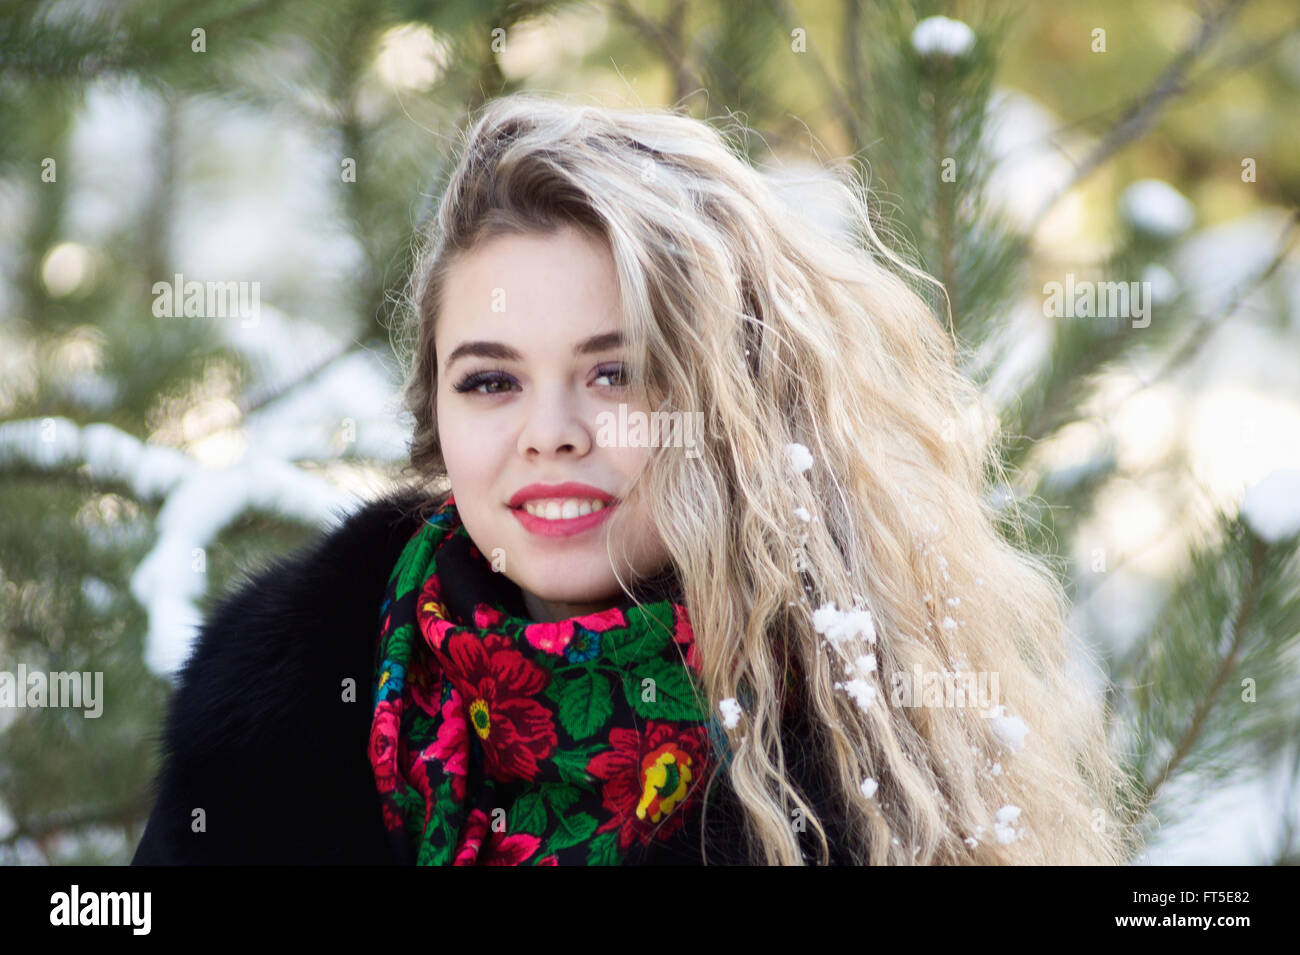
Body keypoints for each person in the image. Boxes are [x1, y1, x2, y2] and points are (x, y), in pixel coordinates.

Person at [133, 92, 1136, 866]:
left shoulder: (870, 756)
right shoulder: (279, 702)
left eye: (616, 371)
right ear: (433, 413)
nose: (550, 433)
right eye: (490, 379)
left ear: (738, 402)